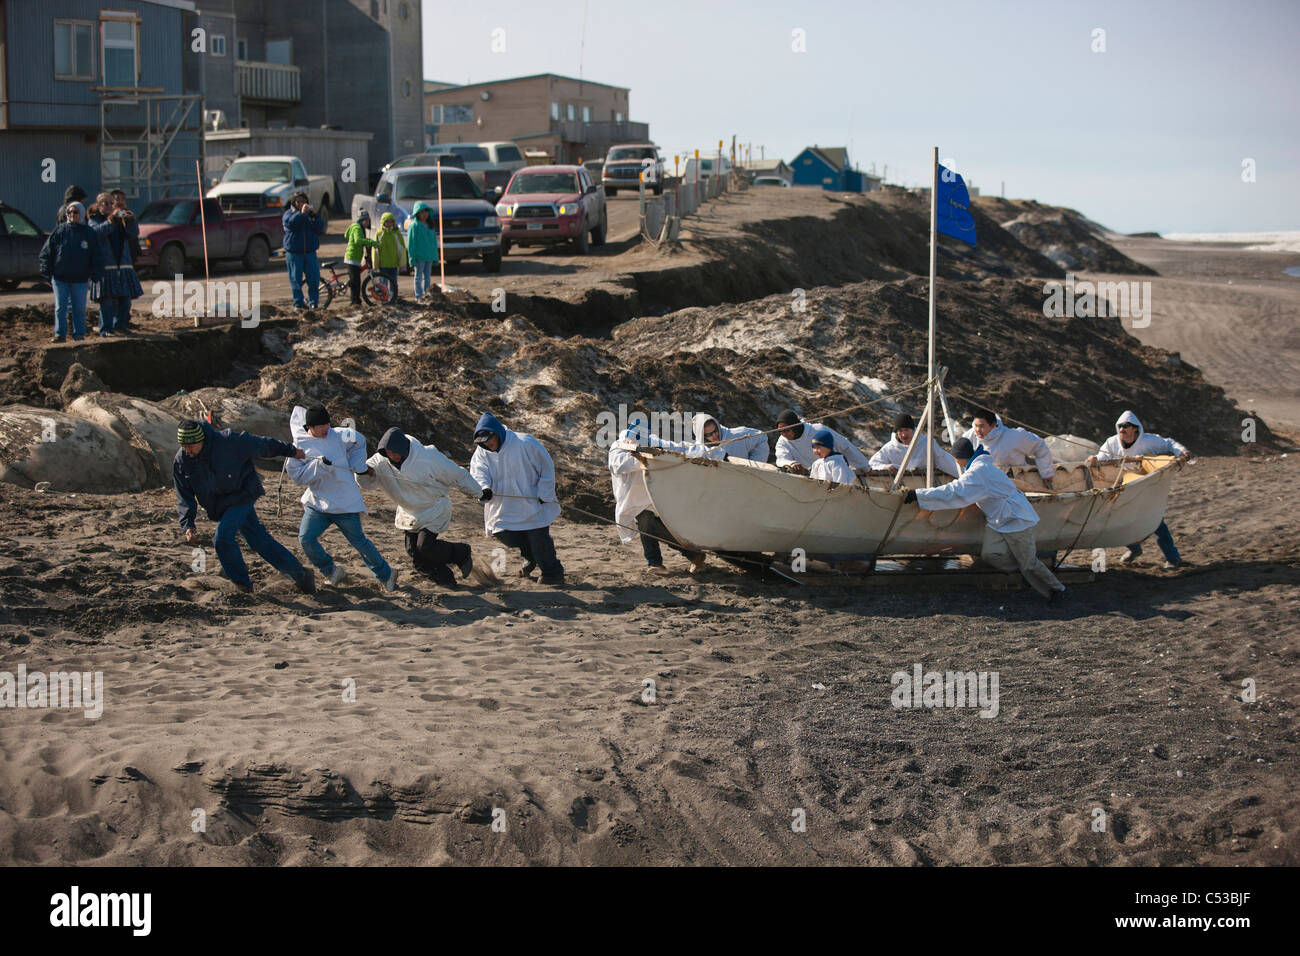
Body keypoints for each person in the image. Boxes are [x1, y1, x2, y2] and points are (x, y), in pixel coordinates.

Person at [908, 437, 1065, 602]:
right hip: (997, 520)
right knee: (991, 554)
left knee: (1029, 564)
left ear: (959, 458)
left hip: (1015, 518)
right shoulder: (978, 468)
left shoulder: (978, 472)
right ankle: (1023, 568)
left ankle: (1057, 590)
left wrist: (918, 495)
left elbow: (953, 492)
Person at [172, 418, 316, 595]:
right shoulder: (182, 460)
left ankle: (242, 585)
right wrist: (188, 524)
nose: (187, 450)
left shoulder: (228, 441)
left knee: (222, 538)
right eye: (183, 446)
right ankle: (300, 574)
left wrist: (291, 451)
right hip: (219, 504)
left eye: (191, 445)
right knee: (257, 539)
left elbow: (262, 444)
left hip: (243, 494)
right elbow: (184, 494)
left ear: (202, 439)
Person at [359, 426, 489, 588]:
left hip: (433, 507)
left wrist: (479, 492)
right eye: (387, 452)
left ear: (404, 448)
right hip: (409, 511)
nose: (391, 455)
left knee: (425, 546)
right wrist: (362, 472)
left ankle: (461, 552)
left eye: (394, 452)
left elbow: (457, 474)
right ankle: (444, 578)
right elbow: (367, 483)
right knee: (415, 554)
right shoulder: (380, 461)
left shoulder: (428, 456)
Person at [286, 404, 398, 592]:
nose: (326, 429)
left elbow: (359, 441)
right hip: (318, 503)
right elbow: (297, 477)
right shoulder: (300, 445)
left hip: (345, 502)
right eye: (321, 425)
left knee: (360, 543)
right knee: (306, 538)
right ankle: (331, 571)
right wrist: (320, 467)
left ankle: (387, 574)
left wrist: (358, 465)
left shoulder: (339, 434)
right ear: (310, 427)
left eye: (327, 424)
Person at [611, 411, 718, 574]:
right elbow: (618, 465)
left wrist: (709, 451)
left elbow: (680, 448)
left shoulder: (652, 442)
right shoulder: (618, 447)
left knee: (664, 529)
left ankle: (691, 556)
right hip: (631, 500)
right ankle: (658, 563)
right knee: (648, 524)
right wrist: (643, 458)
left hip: (654, 496)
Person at [1085, 410, 1191, 568]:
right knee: (1120, 521)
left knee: (1157, 523)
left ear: (1135, 428)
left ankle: (1172, 558)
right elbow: (1100, 459)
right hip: (1124, 489)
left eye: (1126, 426)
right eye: (1120, 426)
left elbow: (1169, 443)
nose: (1122, 430)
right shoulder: (1112, 443)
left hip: (1147, 488)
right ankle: (1134, 549)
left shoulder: (1149, 441)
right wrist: (1093, 459)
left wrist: (1182, 452)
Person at [469, 412, 565, 586]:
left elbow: (546, 467)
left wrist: (545, 493)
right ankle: (530, 555)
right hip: (504, 506)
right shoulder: (482, 453)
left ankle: (553, 573)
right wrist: (483, 488)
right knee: (503, 534)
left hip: (533, 502)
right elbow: (478, 471)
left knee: (539, 538)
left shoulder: (524, 442)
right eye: (484, 443)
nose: (488, 445)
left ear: (497, 433)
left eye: (490, 440)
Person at [38, 201, 104, 343]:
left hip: (80, 279)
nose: (72, 215)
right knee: (60, 308)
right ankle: (60, 334)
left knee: (79, 309)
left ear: (81, 213)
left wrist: (96, 273)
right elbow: (46, 253)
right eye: (70, 212)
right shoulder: (59, 231)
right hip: (60, 277)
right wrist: (46, 271)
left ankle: (79, 334)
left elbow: (96, 255)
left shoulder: (89, 233)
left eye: (75, 212)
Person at [89, 192, 144, 337]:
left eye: (110, 203)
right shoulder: (94, 220)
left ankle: (120, 326)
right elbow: (97, 233)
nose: (108, 206)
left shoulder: (119, 220)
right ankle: (106, 329)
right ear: (99, 206)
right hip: (106, 267)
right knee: (107, 301)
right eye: (105, 203)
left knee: (125, 299)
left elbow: (133, 234)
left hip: (123, 265)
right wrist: (111, 221)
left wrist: (130, 220)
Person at [962, 411, 1055, 489]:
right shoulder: (970, 436)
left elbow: (1039, 446)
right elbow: (960, 456)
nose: (978, 430)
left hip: (1018, 482)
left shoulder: (1013, 436)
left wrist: (1046, 472)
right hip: (985, 483)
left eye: (982, 426)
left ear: (993, 425)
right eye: (975, 426)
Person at [774, 409, 870, 475]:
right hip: (809, 478)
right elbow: (781, 458)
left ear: (795, 427)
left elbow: (845, 447)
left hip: (834, 471)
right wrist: (792, 463)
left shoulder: (818, 430)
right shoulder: (782, 441)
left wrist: (865, 467)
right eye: (780, 431)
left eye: (786, 430)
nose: (783, 434)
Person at [869, 413, 960, 477]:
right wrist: (888, 467)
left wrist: (963, 476)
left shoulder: (927, 444)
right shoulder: (889, 448)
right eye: (900, 431)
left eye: (906, 430)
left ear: (913, 430)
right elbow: (872, 464)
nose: (904, 434)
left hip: (925, 485)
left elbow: (944, 460)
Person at [282, 192, 325, 309]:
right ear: (294, 203)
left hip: (310, 253)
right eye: (298, 201)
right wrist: (301, 214)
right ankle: (298, 304)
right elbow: (290, 224)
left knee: (314, 279)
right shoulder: (289, 214)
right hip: (294, 254)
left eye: (303, 201)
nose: (301, 203)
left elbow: (320, 227)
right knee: (296, 280)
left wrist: (315, 216)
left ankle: (313, 303)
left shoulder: (309, 215)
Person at [691, 413, 769, 462]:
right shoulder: (699, 450)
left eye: (715, 430)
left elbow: (761, 437)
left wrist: (755, 464)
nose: (714, 435)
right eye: (709, 434)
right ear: (703, 437)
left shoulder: (736, 435)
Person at [370, 212, 408, 303]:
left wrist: (402, 264)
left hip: (393, 263)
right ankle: (384, 299)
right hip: (383, 264)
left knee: (394, 283)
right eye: (387, 222)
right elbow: (375, 251)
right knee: (383, 284)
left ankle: (393, 299)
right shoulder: (379, 234)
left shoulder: (396, 234)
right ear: (383, 222)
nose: (389, 223)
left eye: (391, 222)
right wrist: (375, 264)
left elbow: (401, 250)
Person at [405, 201, 439, 299]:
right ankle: (418, 296)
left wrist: (435, 256)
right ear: (417, 213)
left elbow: (433, 243)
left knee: (427, 277)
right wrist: (411, 258)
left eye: (425, 212)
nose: (424, 214)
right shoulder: (413, 226)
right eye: (421, 212)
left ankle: (427, 294)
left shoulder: (431, 226)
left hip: (429, 256)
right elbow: (411, 243)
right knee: (418, 277)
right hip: (419, 256)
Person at [343, 210, 377, 306]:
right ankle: (355, 302)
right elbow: (358, 240)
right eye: (368, 221)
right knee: (355, 282)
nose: (368, 223)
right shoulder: (357, 228)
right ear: (365, 220)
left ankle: (356, 301)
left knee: (355, 279)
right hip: (352, 258)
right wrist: (372, 242)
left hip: (355, 258)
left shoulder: (358, 227)